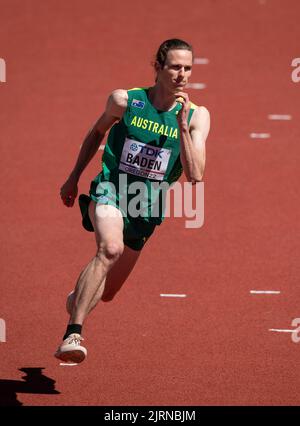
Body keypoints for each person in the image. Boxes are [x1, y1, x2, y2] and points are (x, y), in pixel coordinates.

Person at [55, 38, 210, 363]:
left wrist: (181, 128)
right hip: (111, 189)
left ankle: (79, 298)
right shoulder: (125, 101)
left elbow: (195, 176)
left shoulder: (197, 117)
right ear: (158, 67)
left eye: (188, 68)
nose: (182, 74)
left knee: (108, 293)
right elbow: (96, 134)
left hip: (145, 206)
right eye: (175, 67)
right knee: (110, 249)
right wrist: (73, 176)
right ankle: (73, 333)